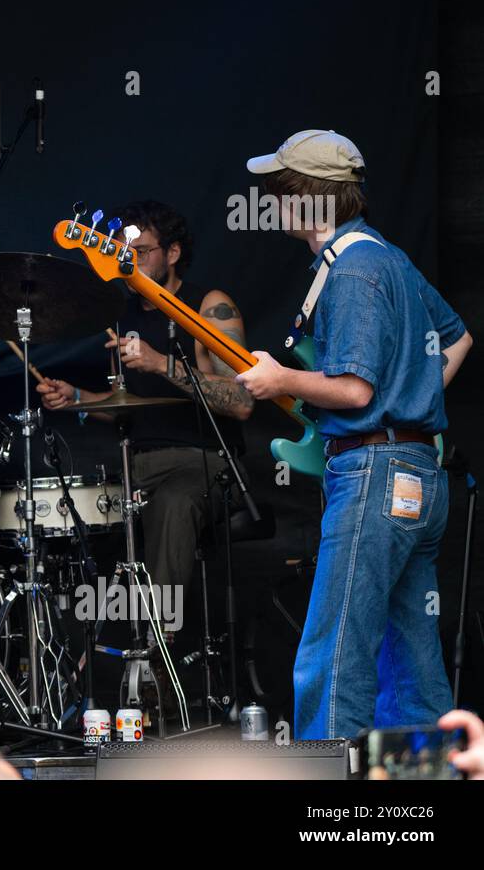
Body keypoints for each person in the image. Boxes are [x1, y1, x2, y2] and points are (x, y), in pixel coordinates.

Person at [236, 129, 472, 739]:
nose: (272, 204)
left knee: (335, 649)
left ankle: (326, 799)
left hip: (375, 473)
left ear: (305, 197)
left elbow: (356, 391)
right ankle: (431, 779)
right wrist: (413, 396)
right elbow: (459, 337)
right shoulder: (387, 256)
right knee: (413, 659)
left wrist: (282, 377)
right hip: (420, 476)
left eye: (279, 192)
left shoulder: (351, 270)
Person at [38, 201, 255, 620]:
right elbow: (128, 405)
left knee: (173, 502)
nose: (128, 260)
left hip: (207, 462)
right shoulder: (121, 317)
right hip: (138, 466)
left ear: (172, 254)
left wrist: (161, 363)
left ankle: (159, 646)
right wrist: (76, 399)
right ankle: (79, 649)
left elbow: (243, 402)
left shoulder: (210, 305)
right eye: (123, 251)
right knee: (72, 506)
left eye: (141, 252)